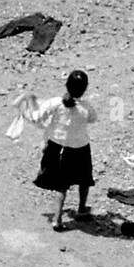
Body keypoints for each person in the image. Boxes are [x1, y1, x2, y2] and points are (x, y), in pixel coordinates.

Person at [20, 69, 97, 231]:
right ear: (85, 88)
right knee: (84, 180)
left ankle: (57, 218)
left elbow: (37, 117)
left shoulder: (55, 103)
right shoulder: (86, 108)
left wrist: (27, 106)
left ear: (66, 85)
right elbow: (93, 119)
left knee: (62, 185)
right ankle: (82, 209)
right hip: (80, 147)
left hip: (57, 147)